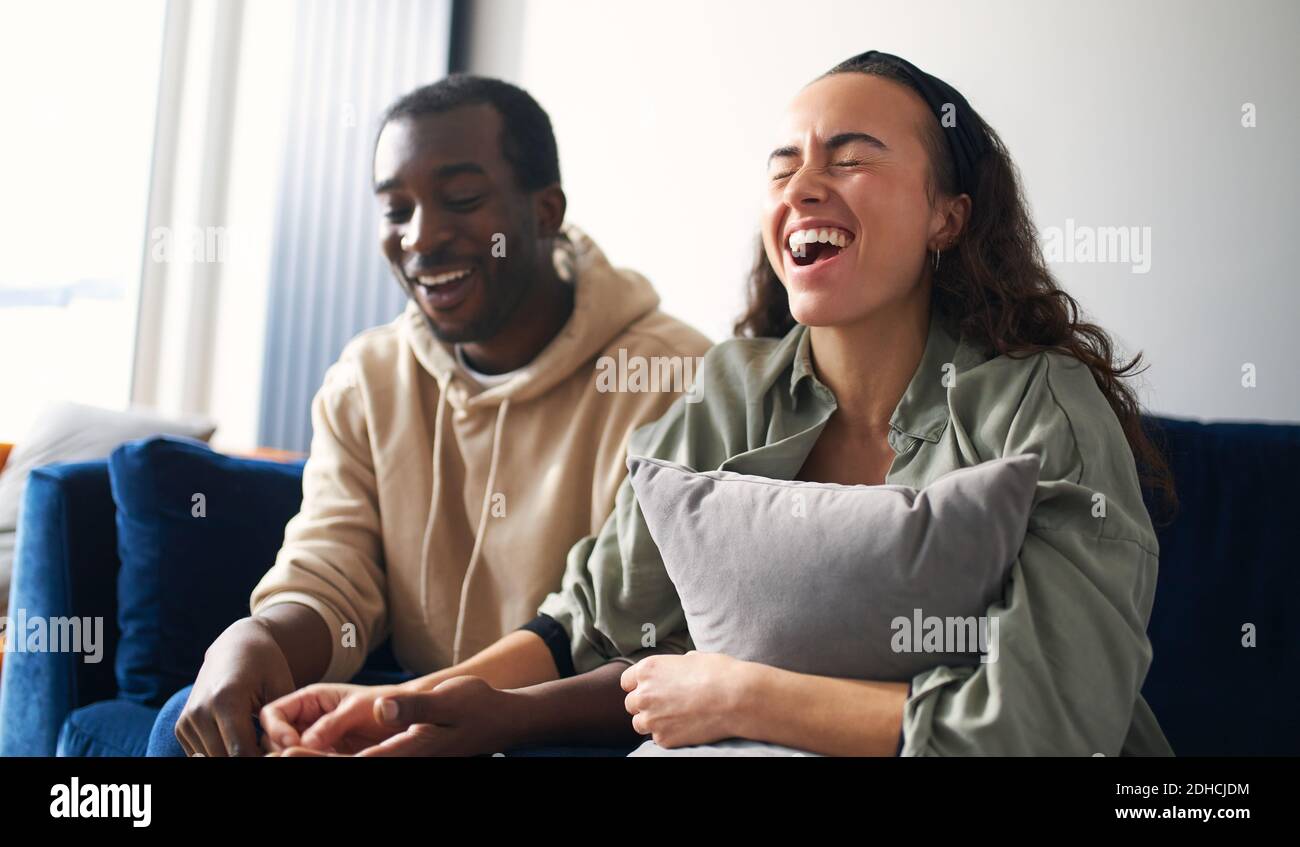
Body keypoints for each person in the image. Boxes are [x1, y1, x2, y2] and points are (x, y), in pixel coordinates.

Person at [265, 52, 1175, 757]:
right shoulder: (736, 390)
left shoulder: (1041, 402)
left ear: (949, 216)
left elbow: (1052, 725)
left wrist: (743, 693)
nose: (805, 185)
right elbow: (588, 619)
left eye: (851, 158)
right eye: (784, 166)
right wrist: (397, 708)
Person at [150, 74, 710, 757]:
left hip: (566, 719)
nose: (422, 237)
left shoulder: (675, 376)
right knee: (191, 720)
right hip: (406, 692)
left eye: (462, 200)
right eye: (395, 209)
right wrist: (257, 637)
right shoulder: (368, 376)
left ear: (544, 211)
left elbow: (649, 641)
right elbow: (333, 571)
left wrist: (448, 711)